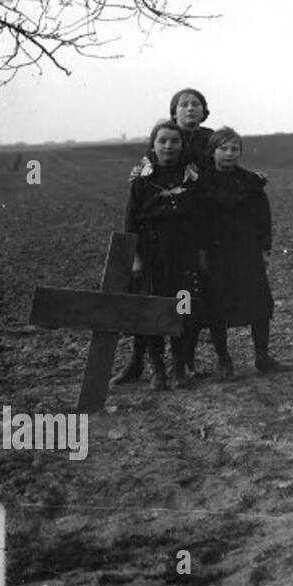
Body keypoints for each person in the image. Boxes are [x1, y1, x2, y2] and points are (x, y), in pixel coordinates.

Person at [119, 119, 207, 389]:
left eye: (174, 141)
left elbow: (203, 219)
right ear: (153, 146)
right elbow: (130, 222)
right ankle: (158, 371)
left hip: (184, 254)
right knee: (154, 310)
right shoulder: (142, 182)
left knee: (182, 309)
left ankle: (179, 367)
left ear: (182, 145)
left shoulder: (191, 178)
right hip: (152, 254)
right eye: (162, 141)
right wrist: (135, 258)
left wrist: (201, 254)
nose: (168, 146)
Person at [198, 127, 279, 376]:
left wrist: (265, 248)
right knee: (217, 306)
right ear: (212, 152)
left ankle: (262, 356)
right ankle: (224, 360)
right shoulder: (201, 184)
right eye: (223, 149)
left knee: (259, 303)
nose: (230, 154)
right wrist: (200, 253)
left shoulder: (250, 181)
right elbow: (196, 221)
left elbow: (263, 217)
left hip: (247, 252)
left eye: (235, 149)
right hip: (216, 254)